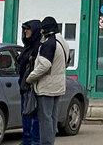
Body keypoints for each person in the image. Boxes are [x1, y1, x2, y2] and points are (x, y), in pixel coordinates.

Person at [24, 16, 70, 145]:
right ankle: (50, 141)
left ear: (46, 30)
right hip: (58, 85)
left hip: (47, 87)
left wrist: (30, 77)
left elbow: (44, 65)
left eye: (42, 29)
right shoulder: (63, 42)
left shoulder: (49, 43)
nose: (40, 31)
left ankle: (46, 143)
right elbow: (67, 62)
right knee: (53, 117)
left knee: (45, 118)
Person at [17, 19, 43, 145]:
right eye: (24, 29)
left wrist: (30, 79)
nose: (25, 31)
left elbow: (41, 66)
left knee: (33, 114)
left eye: (28, 28)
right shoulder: (27, 47)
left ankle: (34, 140)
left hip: (33, 86)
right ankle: (26, 139)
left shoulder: (39, 47)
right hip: (24, 86)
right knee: (25, 113)